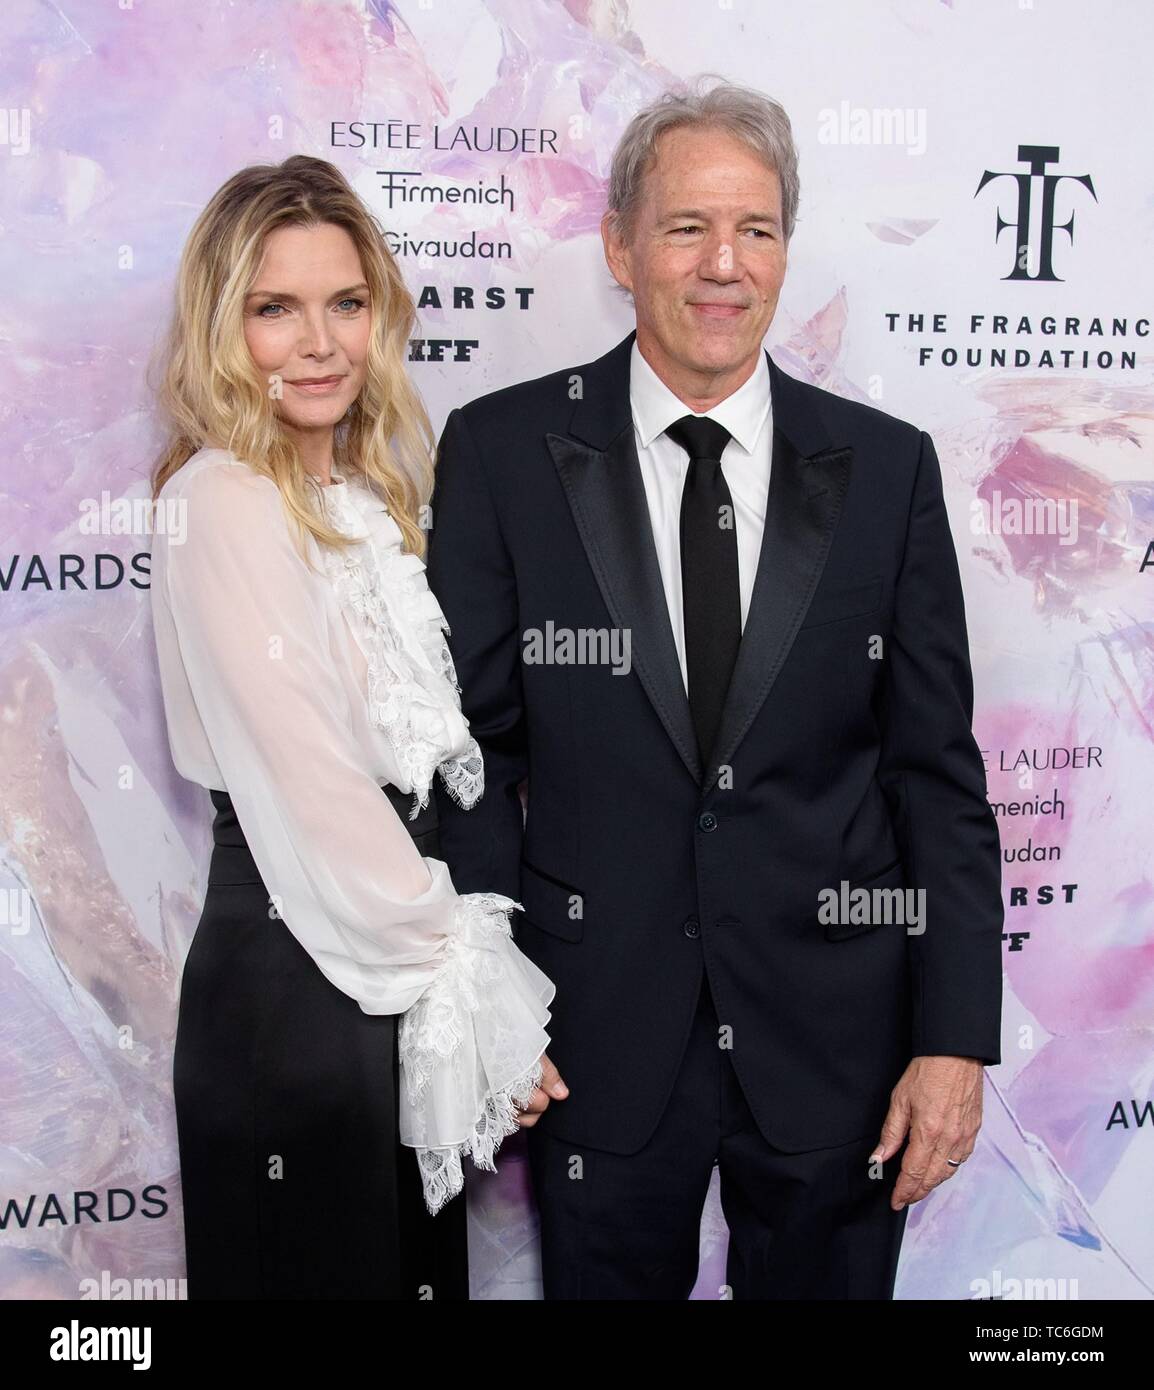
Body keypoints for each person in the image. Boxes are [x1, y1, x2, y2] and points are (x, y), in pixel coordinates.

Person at [427, 77, 1004, 1299]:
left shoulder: (886, 471)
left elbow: (934, 774)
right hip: (590, 1037)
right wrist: (486, 1001)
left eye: (755, 229)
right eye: (686, 226)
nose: (722, 265)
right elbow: (467, 758)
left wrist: (953, 1034)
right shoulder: (499, 453)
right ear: (619, 245)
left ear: (786, 248)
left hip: (838, 1046)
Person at [148, 155, 564, 1300]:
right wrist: (472, 990)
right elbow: (320, 787)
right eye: (274, 308)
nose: (319, 341)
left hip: (381, 953)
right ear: (221, 328)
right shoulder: (219, 499)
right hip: (300, 972)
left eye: (345, 302)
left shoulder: (373, 498)